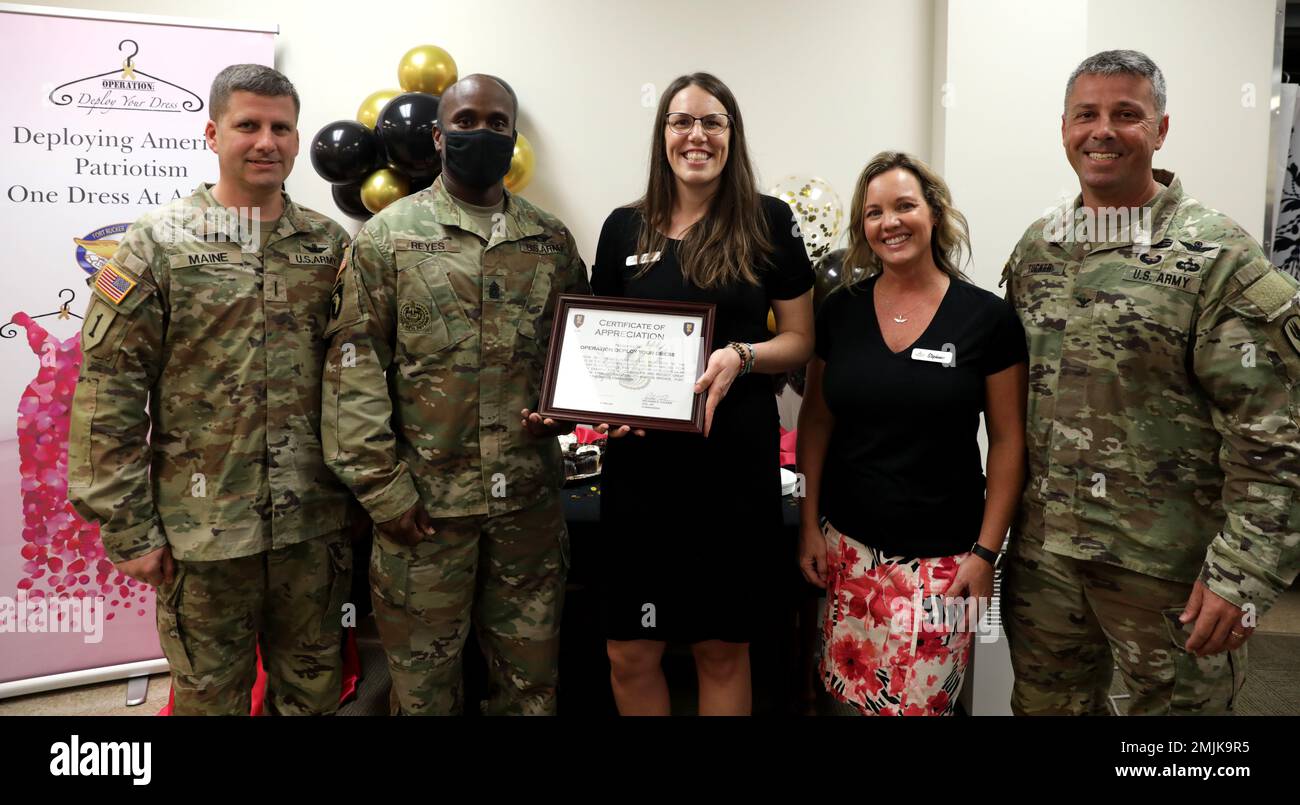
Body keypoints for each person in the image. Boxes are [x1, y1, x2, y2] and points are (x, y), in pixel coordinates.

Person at [1001, 49, 1300, 715]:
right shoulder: (1039, 247)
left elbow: (1277, 432)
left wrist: (1243, 573)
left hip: (1171, 572)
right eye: (1087, 114)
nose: (1102, 130)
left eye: (1126, 114)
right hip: (1046, 564)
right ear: (1064, 128)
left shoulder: (1217, 258)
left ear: (1161, 128)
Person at [66, 64, 355, 715]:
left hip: (312, 531)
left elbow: (355, 377)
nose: (265, 141)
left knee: (312, 696)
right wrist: (129, 525)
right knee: (210, 700)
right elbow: (108, 392)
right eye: (247, 124)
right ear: (211, 132)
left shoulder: (326, 244)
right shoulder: (155, 245)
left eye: (280, 127)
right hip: (202, 536)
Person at [322, 74, 590, 716]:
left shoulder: (549, 242)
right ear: (439, 137)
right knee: (423, 692)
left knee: (530, 687)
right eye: (466, 121)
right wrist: (383, 492)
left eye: (497, 122)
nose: (482, 132)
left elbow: (576, 357)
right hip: (425, 512)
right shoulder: (388, 238)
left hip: (526, 506)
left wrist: (573, 409)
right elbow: (352, 373)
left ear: (513, 136)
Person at [590, 72, 815, 716]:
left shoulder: (768, 220)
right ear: (662, 135)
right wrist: (600, 408)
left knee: (722, 647)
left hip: (731, 464)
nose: (697, 135)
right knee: (630, 650)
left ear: (731, 136)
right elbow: (599, 346)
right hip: (640, 468)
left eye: (712, 122)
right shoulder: (621, 228)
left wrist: (743, 355)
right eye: (681, 121)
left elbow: (800, 339)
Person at [796, 152, 1027, 716]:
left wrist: (986, 553)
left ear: (934, 214)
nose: (890, 222)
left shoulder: (987, 319)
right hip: (849, 550)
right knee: (846, 698)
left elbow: (1008, 441)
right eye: (874, 213)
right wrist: (808, 524)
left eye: (904, 206)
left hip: (946, 563)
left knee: (924, 706)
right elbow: (817, 421)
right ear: (862, 228)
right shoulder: (840, 313)